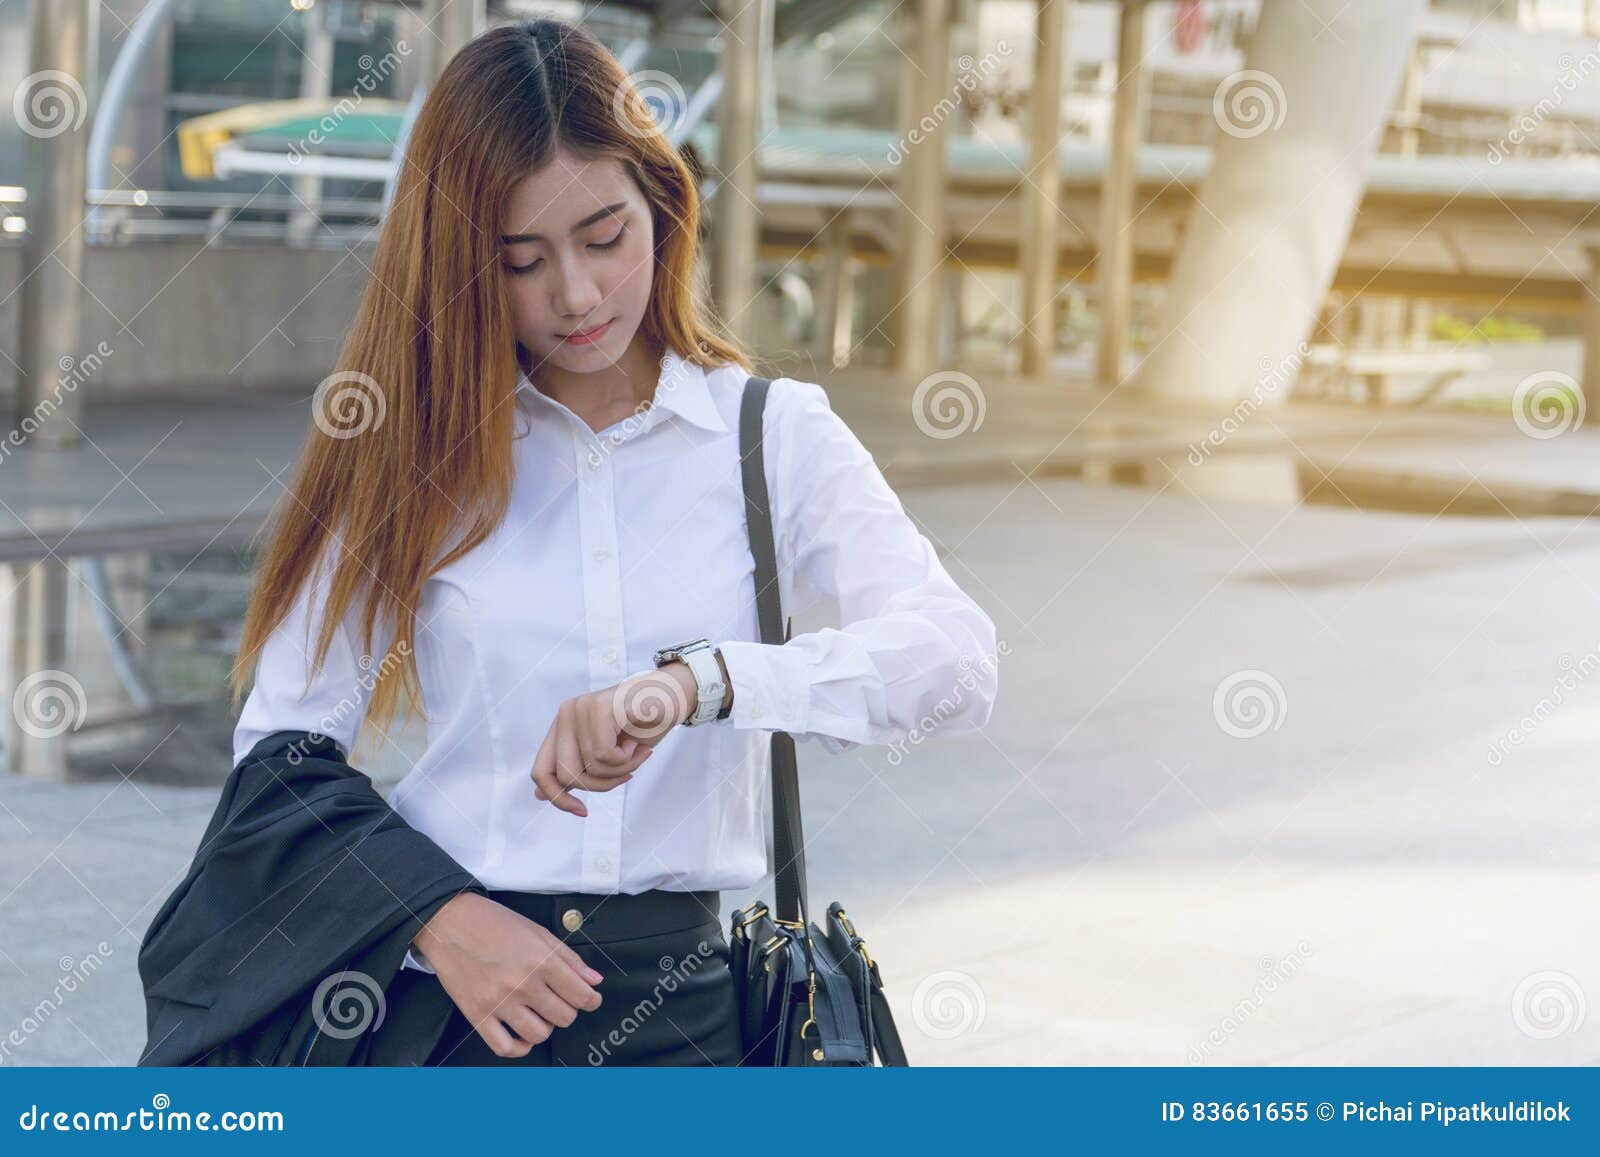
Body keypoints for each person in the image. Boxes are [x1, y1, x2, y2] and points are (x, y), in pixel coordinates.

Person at [226, 16, 999, 1067]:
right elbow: (279, 749)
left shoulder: (768, 435)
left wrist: (703, 681)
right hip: (453, 1013)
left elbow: (957, 662)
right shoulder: (412, 451)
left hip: (687, 1024)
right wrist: (441, 919)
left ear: (662, 204)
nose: (578, 295)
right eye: (521, 260)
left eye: (604, 235)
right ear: (459, 264)